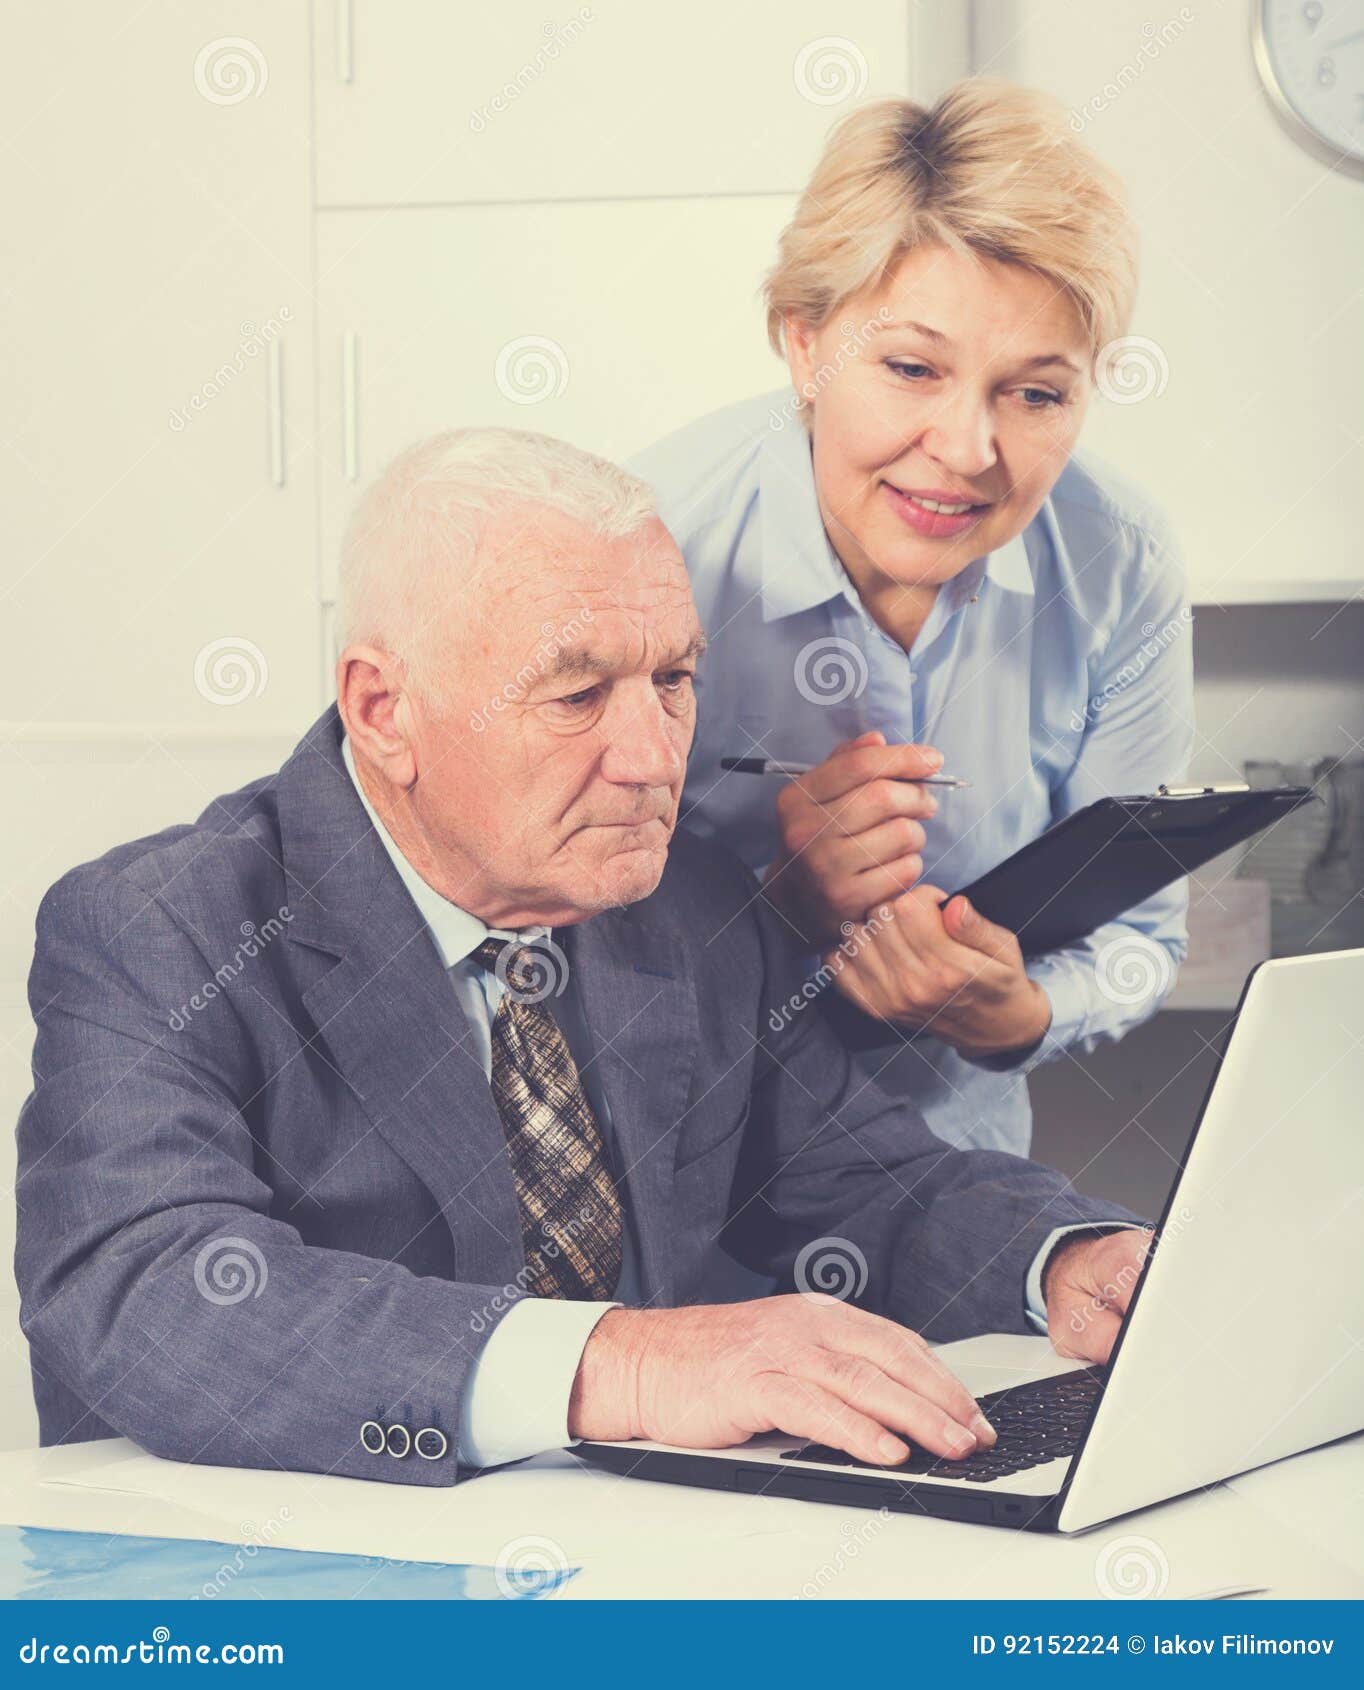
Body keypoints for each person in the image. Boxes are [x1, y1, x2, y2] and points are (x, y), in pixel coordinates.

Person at [16, 429, 1148, 1487]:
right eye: (576, 694)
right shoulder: (159, 927)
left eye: (671, 679)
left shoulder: (684, 897)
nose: (653, 758)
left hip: (620, 1570)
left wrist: (1064, 1257)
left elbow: (862, 1183)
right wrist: (629, 1364)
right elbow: (144, 1289)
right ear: (383, 709)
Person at [632, 79, 1194, 1156]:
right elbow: (533, 957)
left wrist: (1017, 1016)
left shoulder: (1117, 560)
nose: (966, 448)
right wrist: (778, 912)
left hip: (961, 1180)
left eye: (1034, 393)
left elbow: (1139, 935)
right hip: (688, 1175)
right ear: (803, 345)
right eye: (908, 368)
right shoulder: (647, 548)